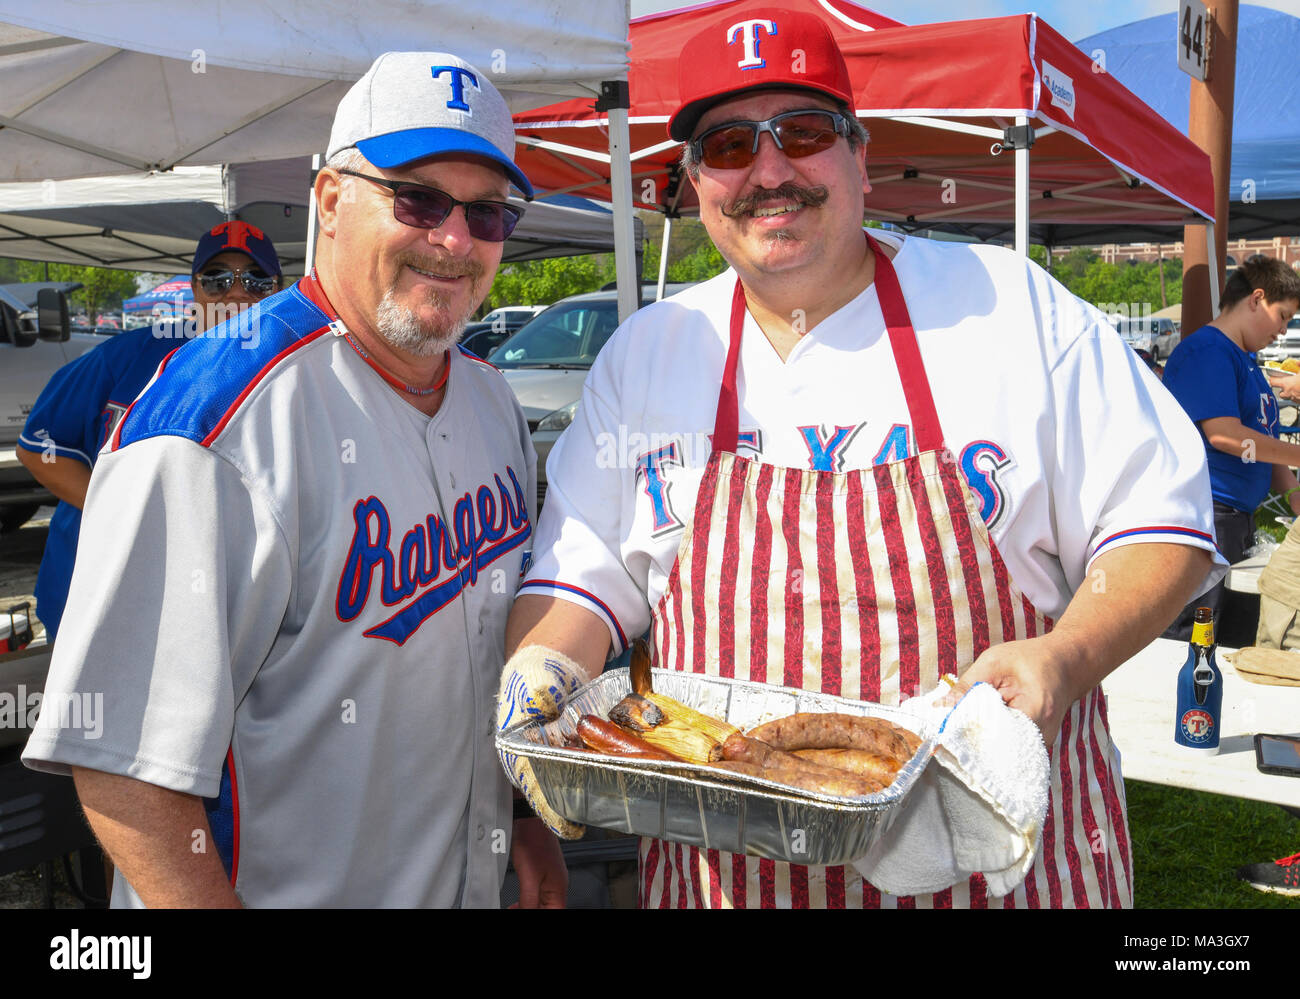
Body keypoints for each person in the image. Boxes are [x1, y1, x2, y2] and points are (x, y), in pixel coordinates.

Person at [498, 7, 1221, 909]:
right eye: (727, 146)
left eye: (801, 132)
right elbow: (582, 581)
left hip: (992, 877)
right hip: (734, 882)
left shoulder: (1009, 310)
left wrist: (1066, 658)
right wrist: (543, 683)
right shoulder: (647, 355)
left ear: (859, 154)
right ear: (692, 180)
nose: (768, 172)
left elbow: (1167, 520)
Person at [23, 51, 567, 908]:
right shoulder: (213, 421)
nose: (455, 238)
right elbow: (121, 770)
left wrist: (529, 828)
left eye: (487, 212)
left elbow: (485, 656)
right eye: (418, 197)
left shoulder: (493, 398)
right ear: (329, 201)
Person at [15, 221, 283, 642]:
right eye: (217, 279)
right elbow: (40, 445)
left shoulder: (289, 370)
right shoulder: (130, 354)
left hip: (207, 596)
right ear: (195, 288)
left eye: (255, 280)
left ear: (277, 290)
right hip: (95, 583)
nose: (235, 292)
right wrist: (116, 511)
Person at [1160, 256, 1300, 640]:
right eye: (1283, 316)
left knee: (1229, 640)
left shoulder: (1246, 359)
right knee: (1192, 641)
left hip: (1234, 522)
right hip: (1204, 519)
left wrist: (1292, 493)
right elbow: (1226, 436)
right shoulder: (1208, 350)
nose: (1283, 330)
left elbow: (1261, 438)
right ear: (1256, 298)